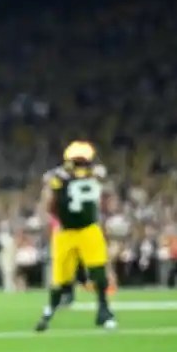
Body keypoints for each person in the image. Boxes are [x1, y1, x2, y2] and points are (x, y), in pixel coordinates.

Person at [35, 141, 117, 331]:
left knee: (81, 273)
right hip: (85, 229)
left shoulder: (58, 177)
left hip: (72, 230)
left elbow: (49, 202)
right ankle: (103, 311)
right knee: (91, 272)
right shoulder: (96, 174)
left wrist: (51, 216)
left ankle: (52, 311)